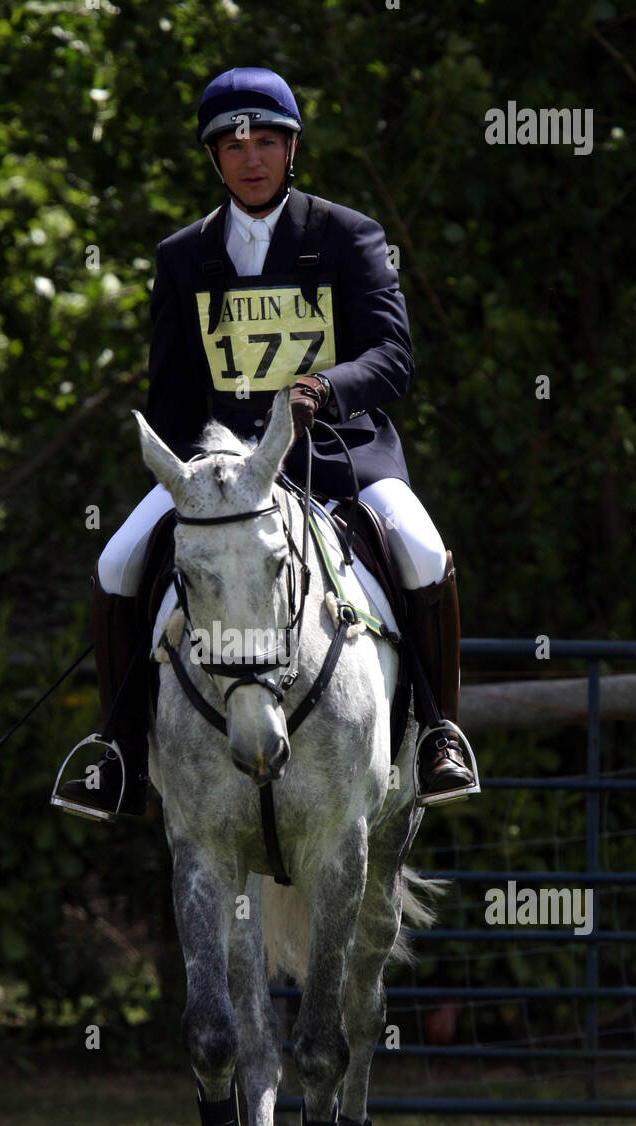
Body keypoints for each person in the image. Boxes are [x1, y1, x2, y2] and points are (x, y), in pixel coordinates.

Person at [53, 66, 478, 821]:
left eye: (268, 142)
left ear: (290, 149)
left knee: (418, 546)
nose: (252, 158)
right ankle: (117, 752)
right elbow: (174, 391)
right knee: (116, 560)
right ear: (214, 158)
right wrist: (198, 468)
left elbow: (391, 357)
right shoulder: (182, 257)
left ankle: (437, 735)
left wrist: (323, 389)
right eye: (234, 144)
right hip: (221, 469)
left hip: (338, 453)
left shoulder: (347, 235)